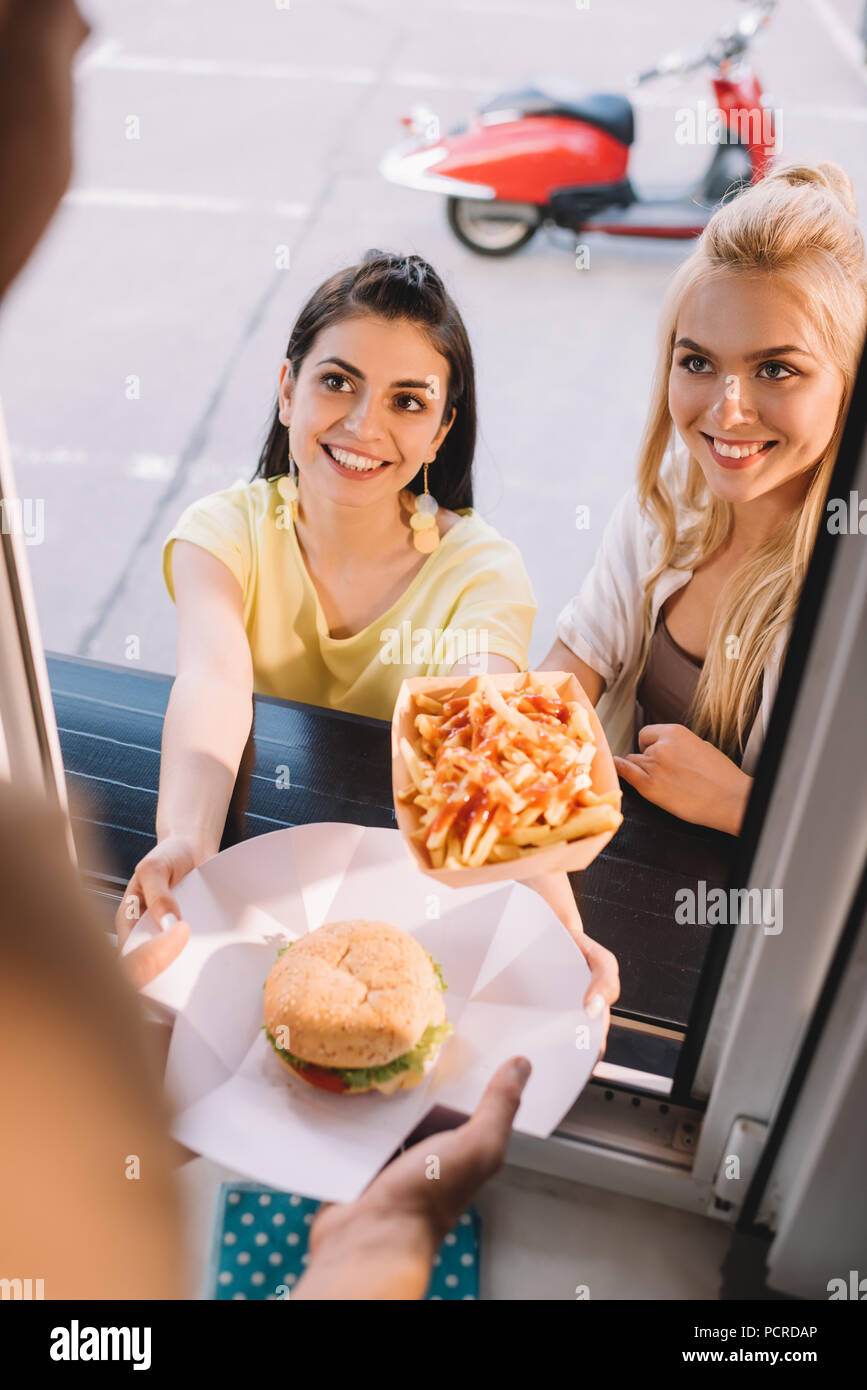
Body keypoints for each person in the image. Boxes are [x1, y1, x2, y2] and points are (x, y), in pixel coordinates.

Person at [542, 162, 867, 835]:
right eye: (697, 362)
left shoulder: (850, 586)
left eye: (774, 369)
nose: (727, 411)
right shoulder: (666, 502)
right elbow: (569, 669)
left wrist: (742, 807)